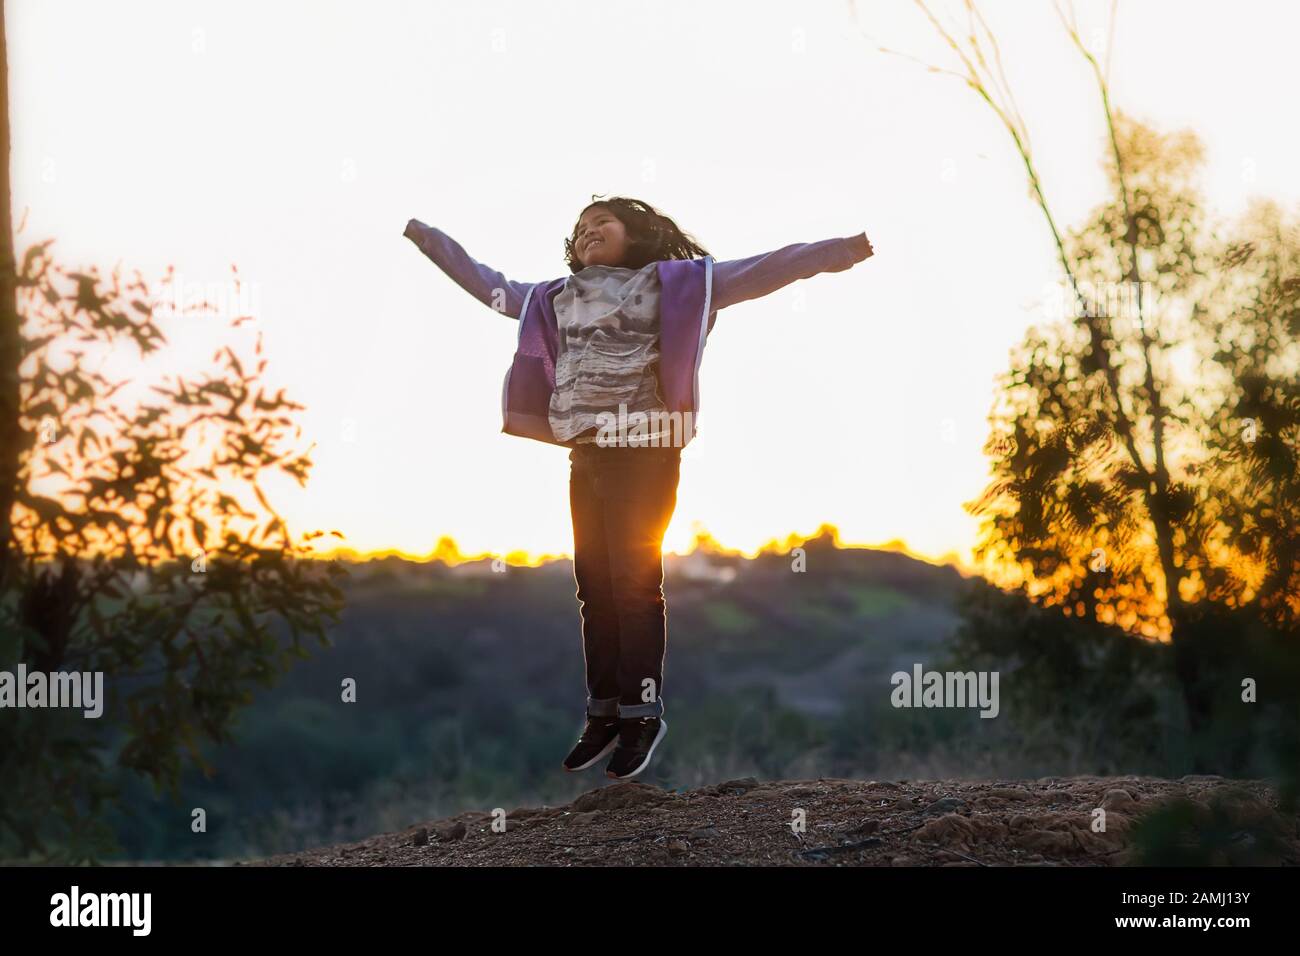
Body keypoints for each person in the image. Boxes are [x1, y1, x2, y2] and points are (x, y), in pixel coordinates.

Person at [403, 195, 874, 779]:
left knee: (633, 585)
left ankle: (643, 715)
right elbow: (488, 284)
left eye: (603, 222)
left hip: (647, 451)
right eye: (580, 229)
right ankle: (604, 713)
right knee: (593, 589)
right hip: (588, 454)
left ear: (637, 235)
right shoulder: (553, 297)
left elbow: (764, 269)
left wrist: (838, 252)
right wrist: (427, 238)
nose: (589, 231)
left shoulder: (674, 284)